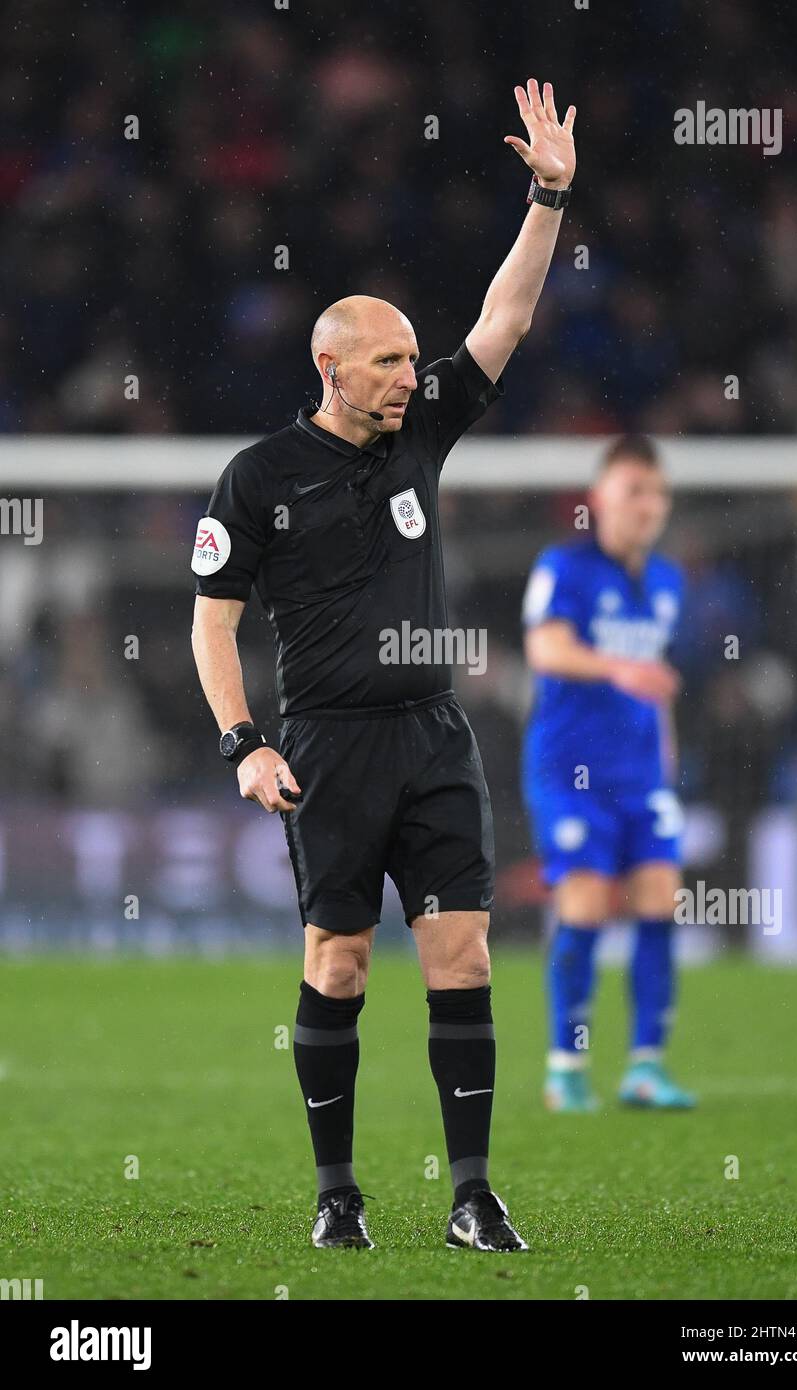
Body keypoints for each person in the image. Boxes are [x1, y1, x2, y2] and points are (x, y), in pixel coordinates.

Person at [191, 80, 576, 1250]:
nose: (413, 373)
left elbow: (504, 319)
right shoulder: (259, 479)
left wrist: (550, 194)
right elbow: (211, 621)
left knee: (461, 954)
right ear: (331, 367)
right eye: (391, 360)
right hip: (330, 747)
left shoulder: (425, 431)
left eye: (415, 357)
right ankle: (338, 1196)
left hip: (432, 736)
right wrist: (245, 744)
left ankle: (470, 1194)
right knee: (343, 963)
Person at [522, 434, 697, 1112]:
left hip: (641, 775)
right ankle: (565, 1067)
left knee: (659, 898)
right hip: (569, 772)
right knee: (588, 903)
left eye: (656, 493)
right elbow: (545, 647)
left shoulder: (666, 581)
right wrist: (615, 666)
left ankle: (645, 1068)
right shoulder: (563, 567)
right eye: (633, 491)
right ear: (599, 500)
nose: (646, 506)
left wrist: (666, 759)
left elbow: (654, 684)